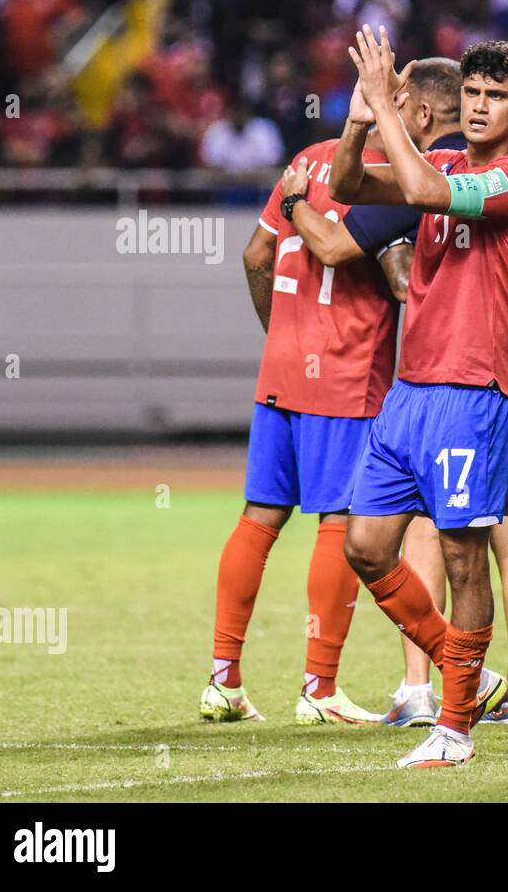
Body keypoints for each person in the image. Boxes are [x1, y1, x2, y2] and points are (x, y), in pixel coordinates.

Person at [331, 29, 508, 768]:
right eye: (473, 95)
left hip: (473, 392)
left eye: (496, 96)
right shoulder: (449, 159)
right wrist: (363, 116)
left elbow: (423, 192)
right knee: (365, 547)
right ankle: (470, 673)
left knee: (464, 562)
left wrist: (390, 116)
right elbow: (347, 188)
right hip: (410, 390)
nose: (482, 106)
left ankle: (453, 730)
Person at [200, 125, 397, 727]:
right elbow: (396, 278)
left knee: (259, 518)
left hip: (282, 369)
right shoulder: (394, 178)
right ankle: (321, 687)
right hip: (346, 371)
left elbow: (255, 255)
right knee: (339, 522)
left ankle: (222, 680)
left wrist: (283, 334)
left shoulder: (307, 161)